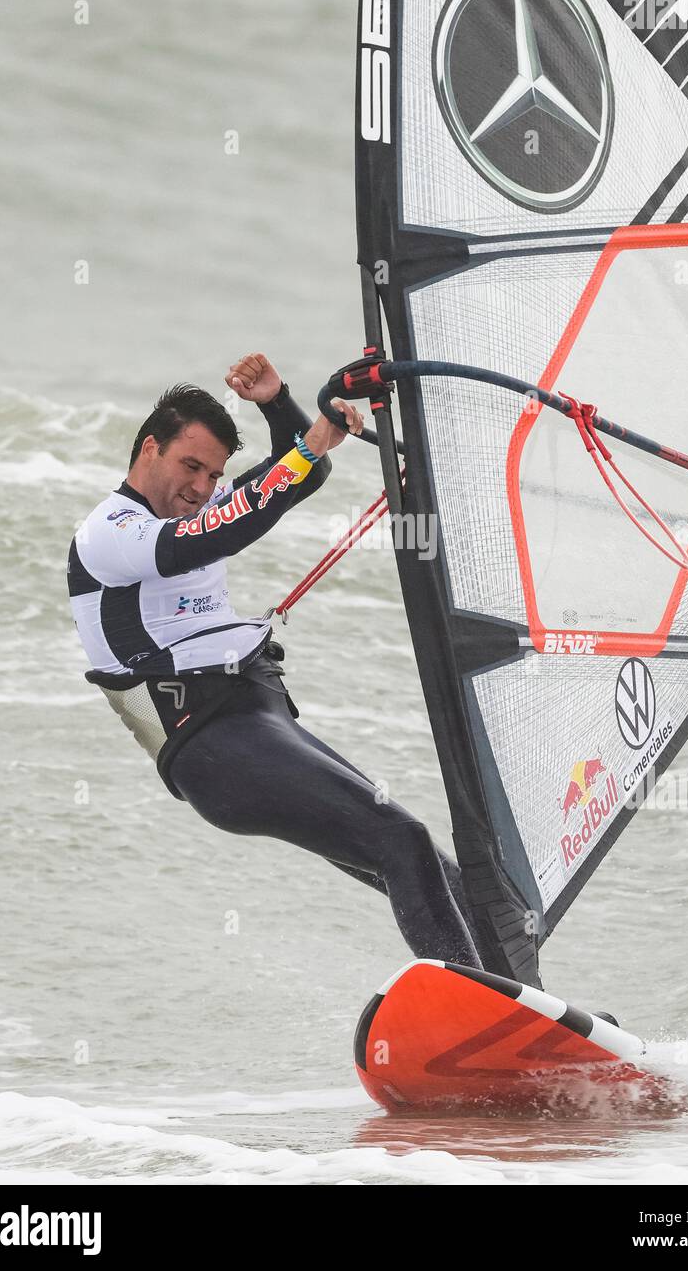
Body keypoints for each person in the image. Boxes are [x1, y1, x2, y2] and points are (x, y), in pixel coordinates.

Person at [67, 354, 482, 969]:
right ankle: (490, 1013)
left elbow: (296, 478)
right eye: (190, 466)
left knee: (438, 869)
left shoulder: (197, 509)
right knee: (402, 841)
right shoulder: (111, 533)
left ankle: (529, 1006)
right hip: (210, 746)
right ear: (149, 448)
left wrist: (277, 402)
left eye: (213, 474)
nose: (203, 487)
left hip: (257, 720)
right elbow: (221, 531)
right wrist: (312, 438)